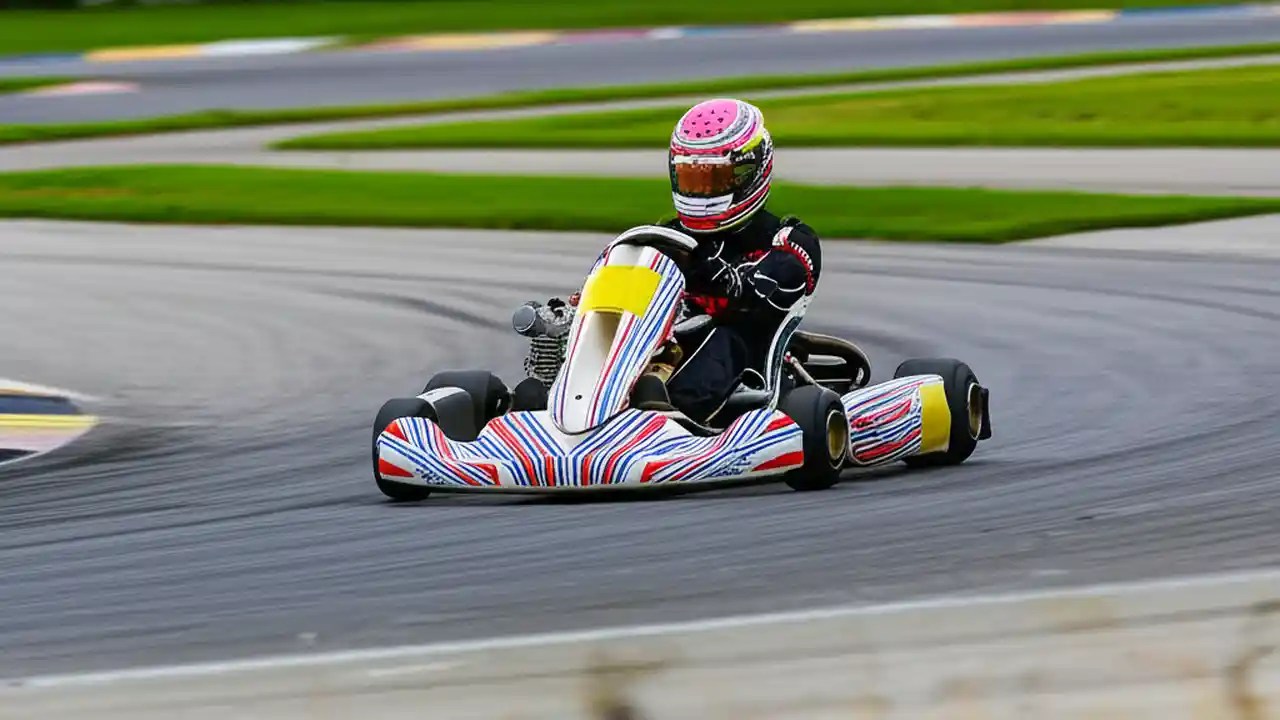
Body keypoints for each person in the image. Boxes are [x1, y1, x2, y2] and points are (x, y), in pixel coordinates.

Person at [634, 97, 823, 426]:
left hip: (743, 371)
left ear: (749, 172)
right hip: (656, 346)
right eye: (693, 179)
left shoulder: (788, 239)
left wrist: (705, 269)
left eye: (714, 179)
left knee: (723, 335)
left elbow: (757, 296)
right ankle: (552, 402)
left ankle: (673, 416)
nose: (702, 192)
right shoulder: (662, 236)